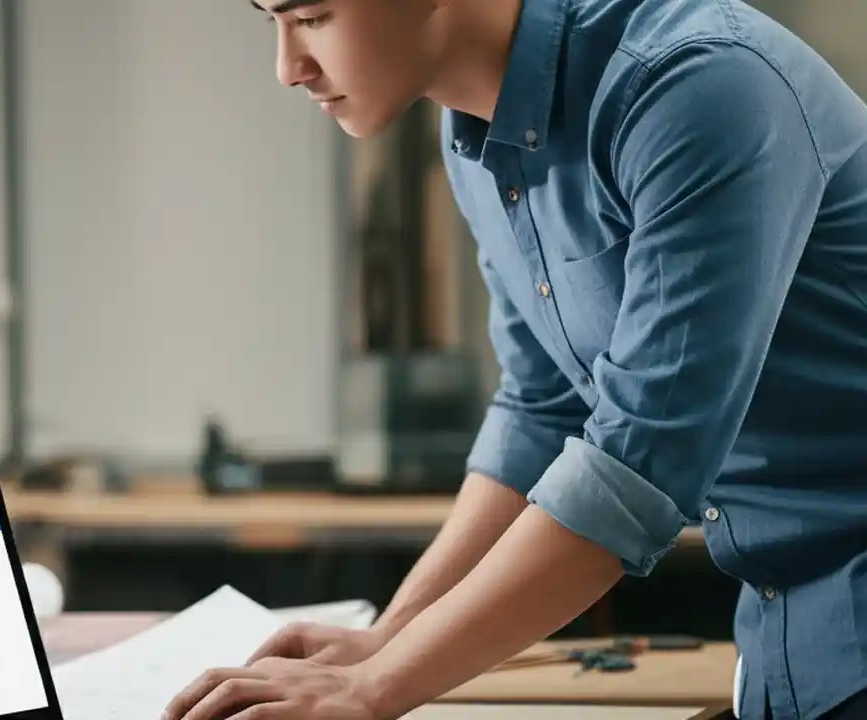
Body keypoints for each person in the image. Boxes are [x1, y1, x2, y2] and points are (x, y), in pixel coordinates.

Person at [162, 0, 867, 718]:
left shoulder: (696, 85)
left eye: (310, 16)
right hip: (791, 646)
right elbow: (544, 409)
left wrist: (374, 690)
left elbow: (637, 464)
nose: (287, 68)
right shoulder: (474, 139)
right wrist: (388, 641)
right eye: (270, 21)